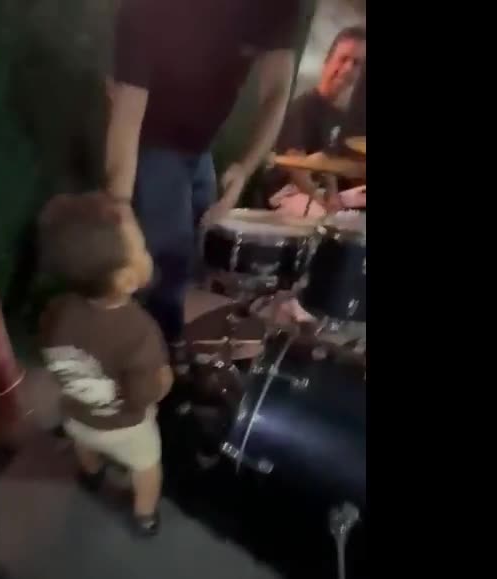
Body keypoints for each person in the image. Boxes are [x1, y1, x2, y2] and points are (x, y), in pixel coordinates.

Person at [104, 0, 301, 355]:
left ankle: (161, 350)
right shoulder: (145, 9)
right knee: (169, 262)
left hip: (201, 148)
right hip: (154, 140)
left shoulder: (279, 6)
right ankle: (157, 365)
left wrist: (244, 168)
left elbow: (276, 92)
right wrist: (119, 209)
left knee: (195, 254)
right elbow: (128, 116)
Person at [37, 192, 173, 537]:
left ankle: (91, 473)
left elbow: (51, 354)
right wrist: (163, 382)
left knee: (86, 443)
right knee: (147, 466)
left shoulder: (56, 310)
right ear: (127, 280)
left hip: (77, 415)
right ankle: (145, 515)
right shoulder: (140, 330)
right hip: (124, 427)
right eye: (142, 249)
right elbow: (142, 393)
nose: (147, 254)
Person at [269, 25, 367, 217]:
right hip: (287, 191)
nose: (347, 69)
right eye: (344, 59)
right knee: (328, 220)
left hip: (317, 193)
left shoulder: (338, 114)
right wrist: (321, 199)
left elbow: (327, 165)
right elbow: (296, 166)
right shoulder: (304, 106)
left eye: (356, 64)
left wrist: (333, 195)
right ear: (327, 61)